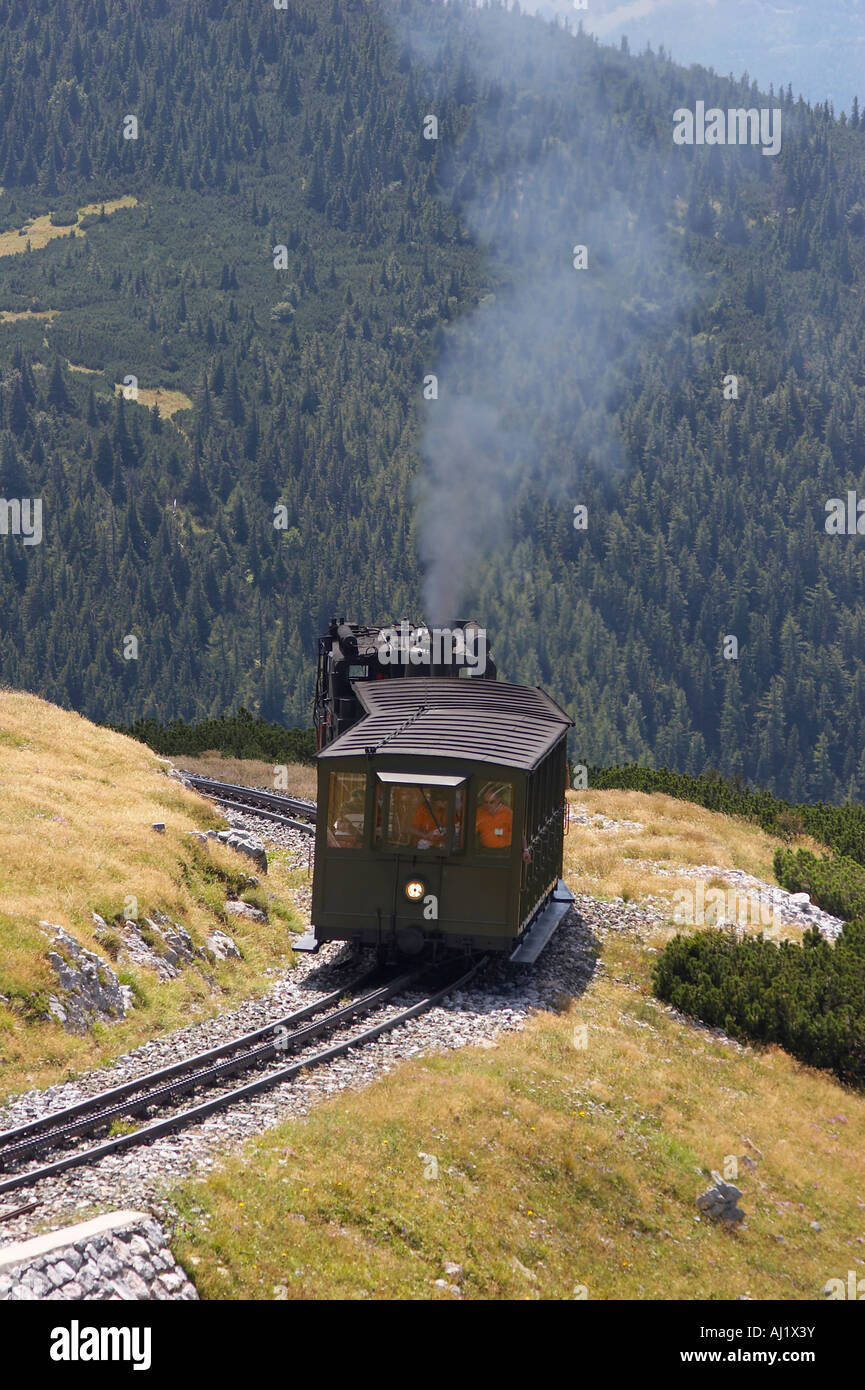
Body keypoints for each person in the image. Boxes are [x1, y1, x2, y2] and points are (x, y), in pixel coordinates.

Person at [475, 783, 532, 862]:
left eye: (491, 802)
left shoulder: (508, 814)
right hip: (485, 852)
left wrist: (525, 850)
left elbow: (519, 834)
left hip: (504, 853)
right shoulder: (479, 812)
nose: (488, 805)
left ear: (498, 800)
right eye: (485, 802)